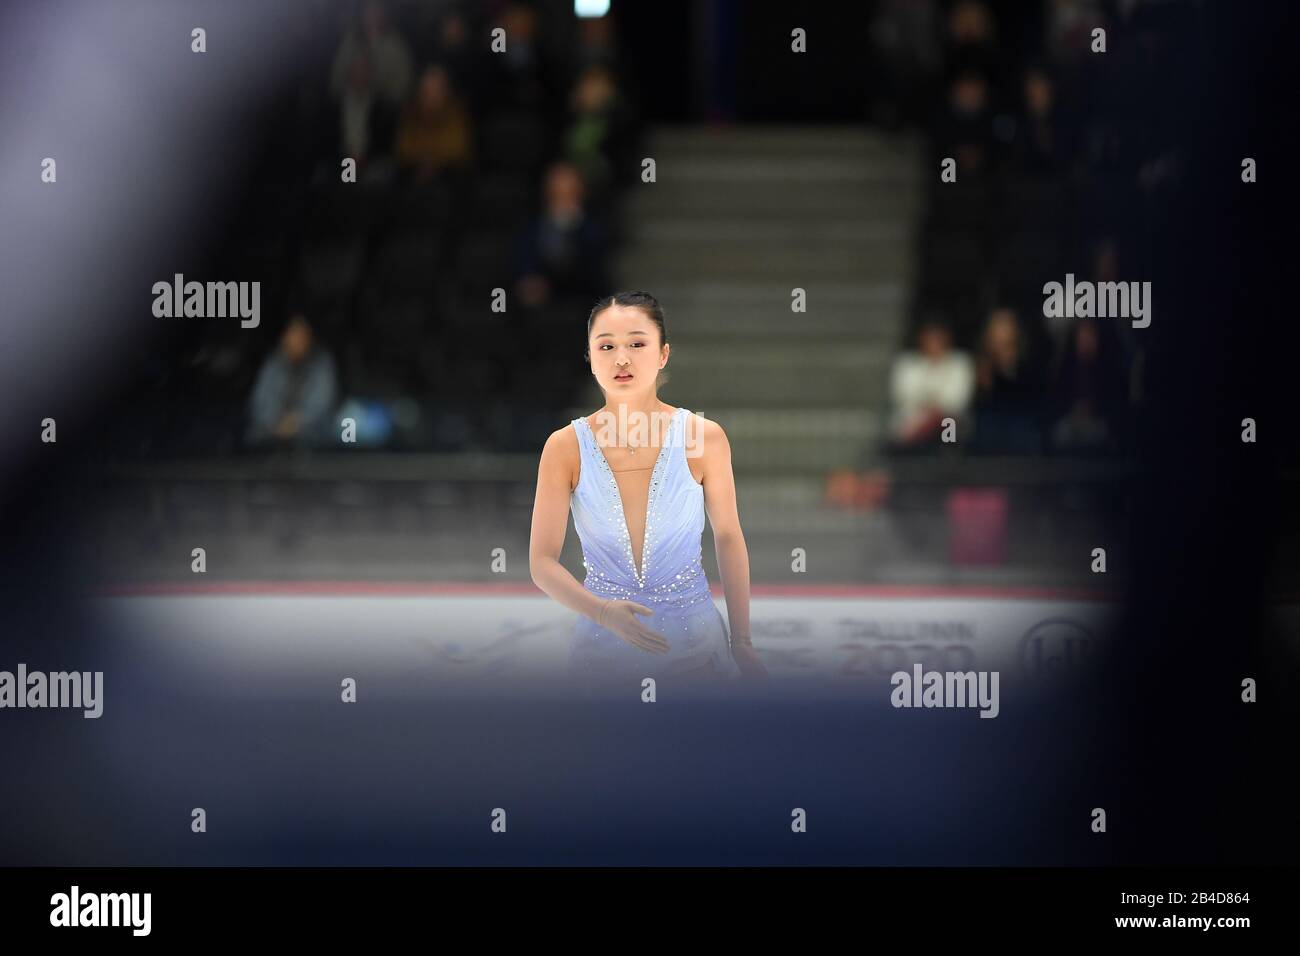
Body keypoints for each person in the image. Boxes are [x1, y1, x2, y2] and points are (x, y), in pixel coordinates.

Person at [529, 291, 767, 685]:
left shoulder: (702, 437)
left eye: (637, 344)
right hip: (600, 652)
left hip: (696, 651)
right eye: (606, 346)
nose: (621, 358)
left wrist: (742, 640)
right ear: (590, 358)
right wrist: (602, 612)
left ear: (663, 354)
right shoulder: (564, 448)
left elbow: (728, 535)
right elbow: (541, 563)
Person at [245, 314, 339, 449]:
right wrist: (276, 422)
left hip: (313, 439)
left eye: (302, 336)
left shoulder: (321, 363)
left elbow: (322, 403)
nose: (297, 340)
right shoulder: (273, 364)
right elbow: (260, 400)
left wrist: (296, 422)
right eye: (294, 334)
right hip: (272, 434)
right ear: (284, 337)